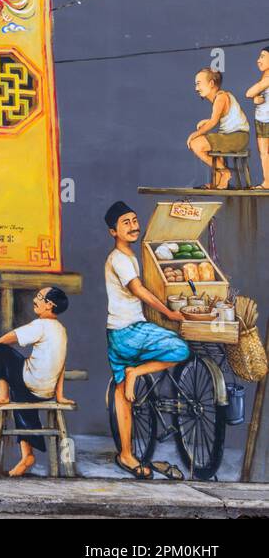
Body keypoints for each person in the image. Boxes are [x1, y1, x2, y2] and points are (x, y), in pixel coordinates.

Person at [102, 200, 189, 480]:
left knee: (120, 393)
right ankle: (136, 371)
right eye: (125, 222)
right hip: (130, 331)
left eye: (134, 220)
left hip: (116, 333)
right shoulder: (119, 259)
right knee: (180, 348)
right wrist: (169, 313)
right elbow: (138, 290)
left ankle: (126, 455)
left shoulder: (129, 256)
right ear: (112, 231)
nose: (132, 226)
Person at [0, 286, 71, 477]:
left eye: (39, 297)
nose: (34, 300)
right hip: (45, 390)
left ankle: (2, 396)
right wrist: (59, 395)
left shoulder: (41, 325)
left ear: (49, 305)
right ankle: (27, 455)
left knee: (0, 350)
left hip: (31, 383)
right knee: (19, 391)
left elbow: (6, 339)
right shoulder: (62, 329)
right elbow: (61, 365)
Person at [187, 68, 250, 189]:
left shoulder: (221, 97)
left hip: (237, 137)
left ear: (211, 83)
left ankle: (224, 172)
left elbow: (214, 122)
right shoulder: (221, 97)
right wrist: (206, 122)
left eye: (198, 83)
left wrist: (194, 134)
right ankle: (221, 181)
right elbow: (221, 118)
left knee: (196, 144)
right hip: (233, 136)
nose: (196, 88)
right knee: (213, 143)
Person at [246, 47, 269, 189]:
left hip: (266, 120)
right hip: (262, 119)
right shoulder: (264, 78)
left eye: (262, 57)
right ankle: (267, 181)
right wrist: (255, 99)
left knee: (265, 152)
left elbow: (249, 92)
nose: (258, 60)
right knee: (264, 153)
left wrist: (253, 96)